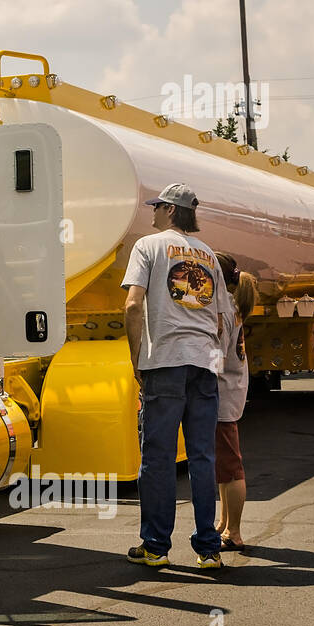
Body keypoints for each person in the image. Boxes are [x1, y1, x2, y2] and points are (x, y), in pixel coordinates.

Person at [122, 182, 230, 569]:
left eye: (156, 207)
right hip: (203, 365)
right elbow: (218, 320)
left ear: (169, 210)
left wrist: (137, 358)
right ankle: (208, 548)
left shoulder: (148, 247)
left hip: (164, 361)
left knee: (159, 458)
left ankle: (155, 547)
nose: (151, 213)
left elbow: (134, 305)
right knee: (202, 457)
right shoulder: (209, 256)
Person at [214, 252, 257, 552]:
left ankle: (235, 531)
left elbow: (218, 356)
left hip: (223, 392)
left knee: (230, 466)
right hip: (230, 388)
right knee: (222, 466)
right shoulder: (231, 305)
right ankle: (224, 522)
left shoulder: (224, 311)